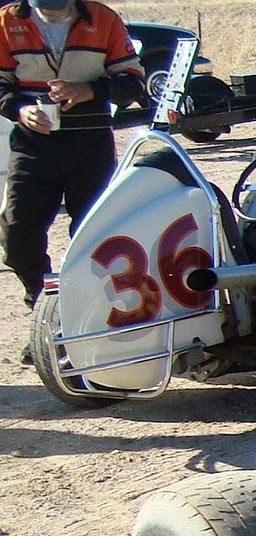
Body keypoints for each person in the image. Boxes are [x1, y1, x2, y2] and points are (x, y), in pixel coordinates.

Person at [0, 0, 144, 362]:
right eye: (43, 7)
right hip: (33, 145)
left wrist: (91, 90)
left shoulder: (104, 18)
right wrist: (19, 108)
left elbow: (133, 82)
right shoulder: (5, 21)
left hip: (90, 144)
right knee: (16, 235)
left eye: (57, 6)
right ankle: (48, 314)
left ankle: (86, 325)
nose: (51, 12)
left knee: (93, 238)